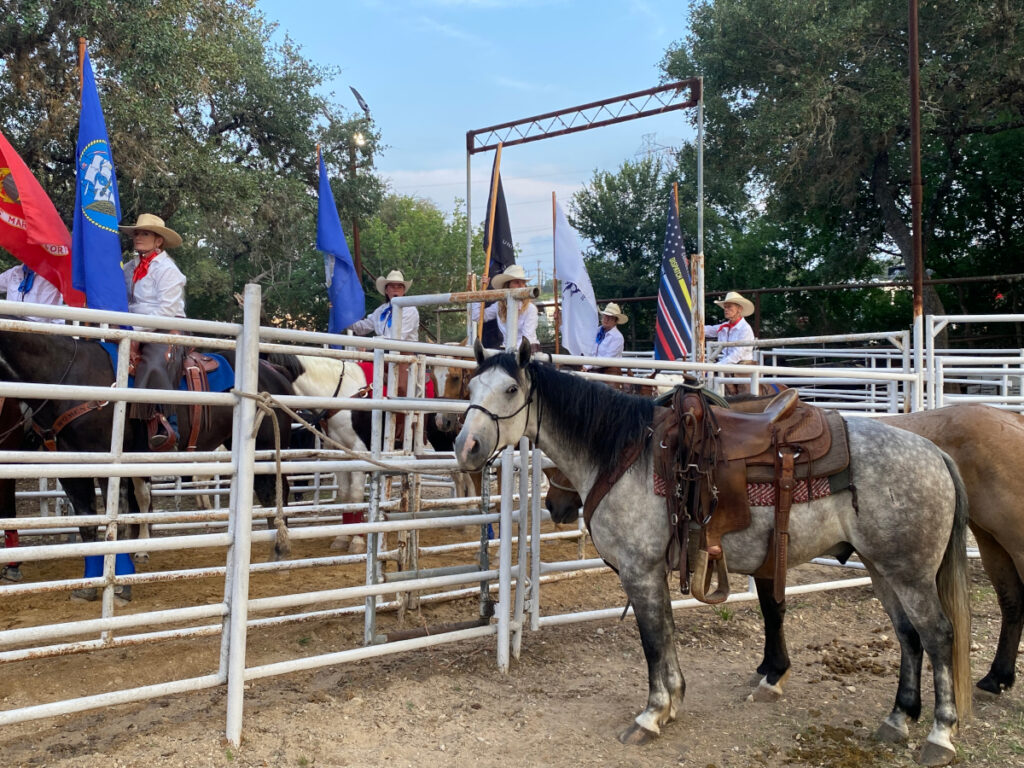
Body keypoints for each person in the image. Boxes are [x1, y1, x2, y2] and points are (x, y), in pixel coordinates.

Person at [119, 213, 187, 450]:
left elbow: (166, 311)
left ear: (158, 241)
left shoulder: (168, 269)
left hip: (166, 327)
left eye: (145, 233)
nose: (138, 237)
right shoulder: (130, 267)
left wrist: (134, 331)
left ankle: (166, 425)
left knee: (155, 362)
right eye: (137, 233)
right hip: (130, 326)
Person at [347, 269, 419, 397]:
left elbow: (397, 338)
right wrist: (343, 318)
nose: (395, 290)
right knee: (358, 375)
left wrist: (369, 344)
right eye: (392, 286)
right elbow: (362, 327)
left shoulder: (410, 310)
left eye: (399, 287)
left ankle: (401, 406)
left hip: (403, 356)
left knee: (400, 388)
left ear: (403, 291)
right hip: (380, 353)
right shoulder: (381, 310)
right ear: (386, 290)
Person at [473, 264, 539, 352]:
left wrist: (511, 353)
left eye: (523, 283)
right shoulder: (499, 306)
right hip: (508, 351)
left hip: (527, 352)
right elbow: (477, 316)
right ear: (507, 285)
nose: (521, 286)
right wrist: (481, 291)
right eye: (516, 282)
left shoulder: (530, 309)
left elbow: (527, 338)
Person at [704, 290, 756, 396]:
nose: (726, 310)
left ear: (739, 309)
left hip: (742, 366)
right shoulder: (725, 327)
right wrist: (692, 326)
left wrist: (717, 366)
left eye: (729, 307)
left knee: (744, 396)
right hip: (728, 365)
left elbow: (737, 354)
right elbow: (709, 330)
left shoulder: (745, 329)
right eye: (725, 307)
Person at [0, 263, 65, 323]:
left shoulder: (53, 278)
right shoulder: (14, 272)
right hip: (12, 323)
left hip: (42, 327)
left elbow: (44, 317)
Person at [586, 302, 627, 372]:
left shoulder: (617, 337)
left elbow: (607, 359)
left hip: (608, 372)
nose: (606, 319)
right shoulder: (597, 331)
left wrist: (587, 366)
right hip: (592, 368)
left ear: (615, 321)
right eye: (605, 316)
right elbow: (589, 350)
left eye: (610, 318)